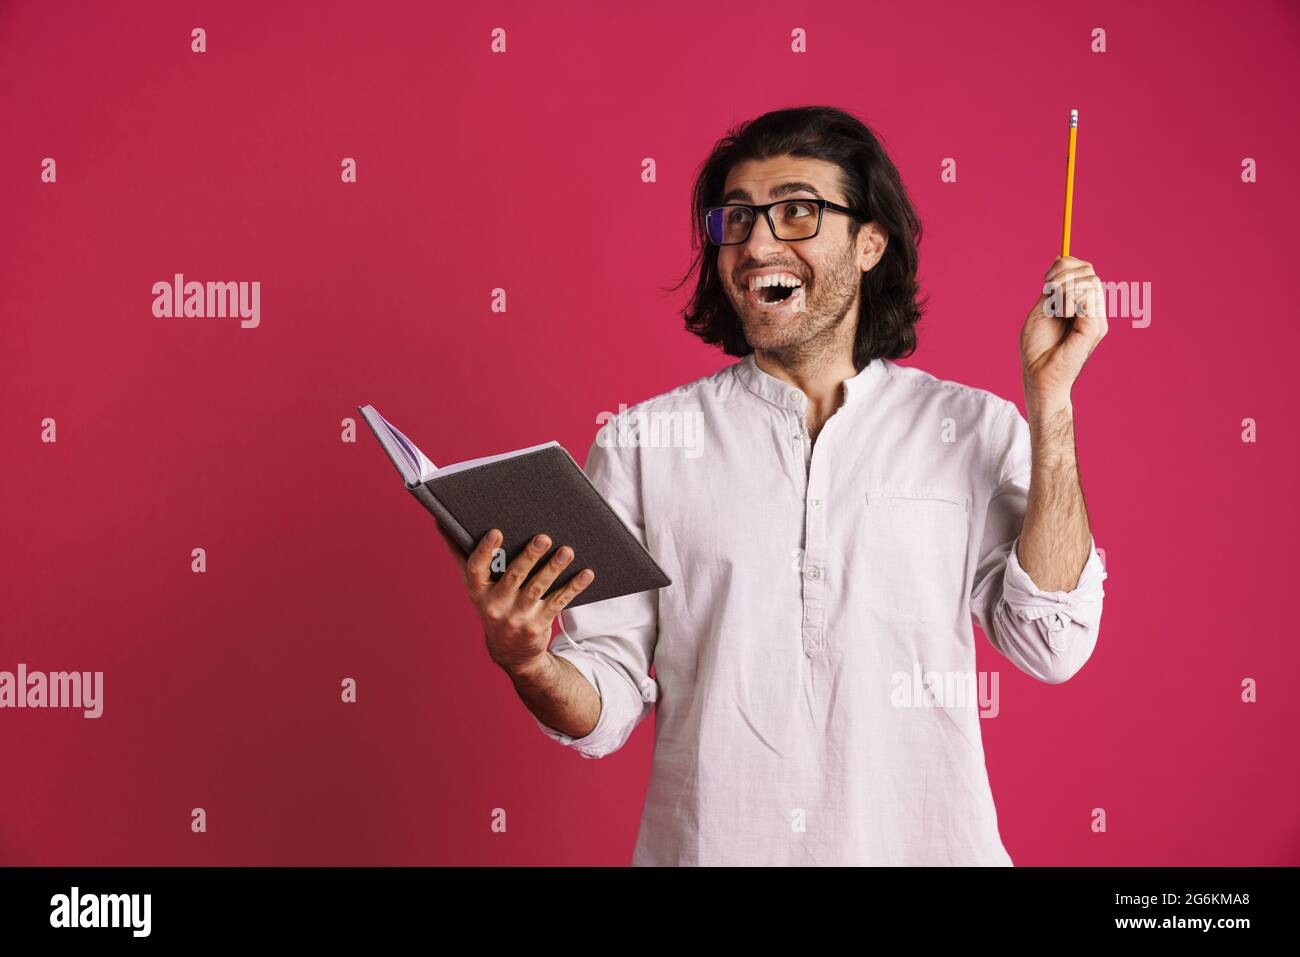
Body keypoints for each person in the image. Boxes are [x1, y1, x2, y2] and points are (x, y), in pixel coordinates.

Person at [435, 105, 1109, 865]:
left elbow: (1053, 642)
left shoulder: (974, 429)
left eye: (796, 212)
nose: (756, 244)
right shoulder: (642, 444)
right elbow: (607, 700)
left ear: (869, 243)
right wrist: (529, 660)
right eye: (737, 219)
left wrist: (1051, 400)